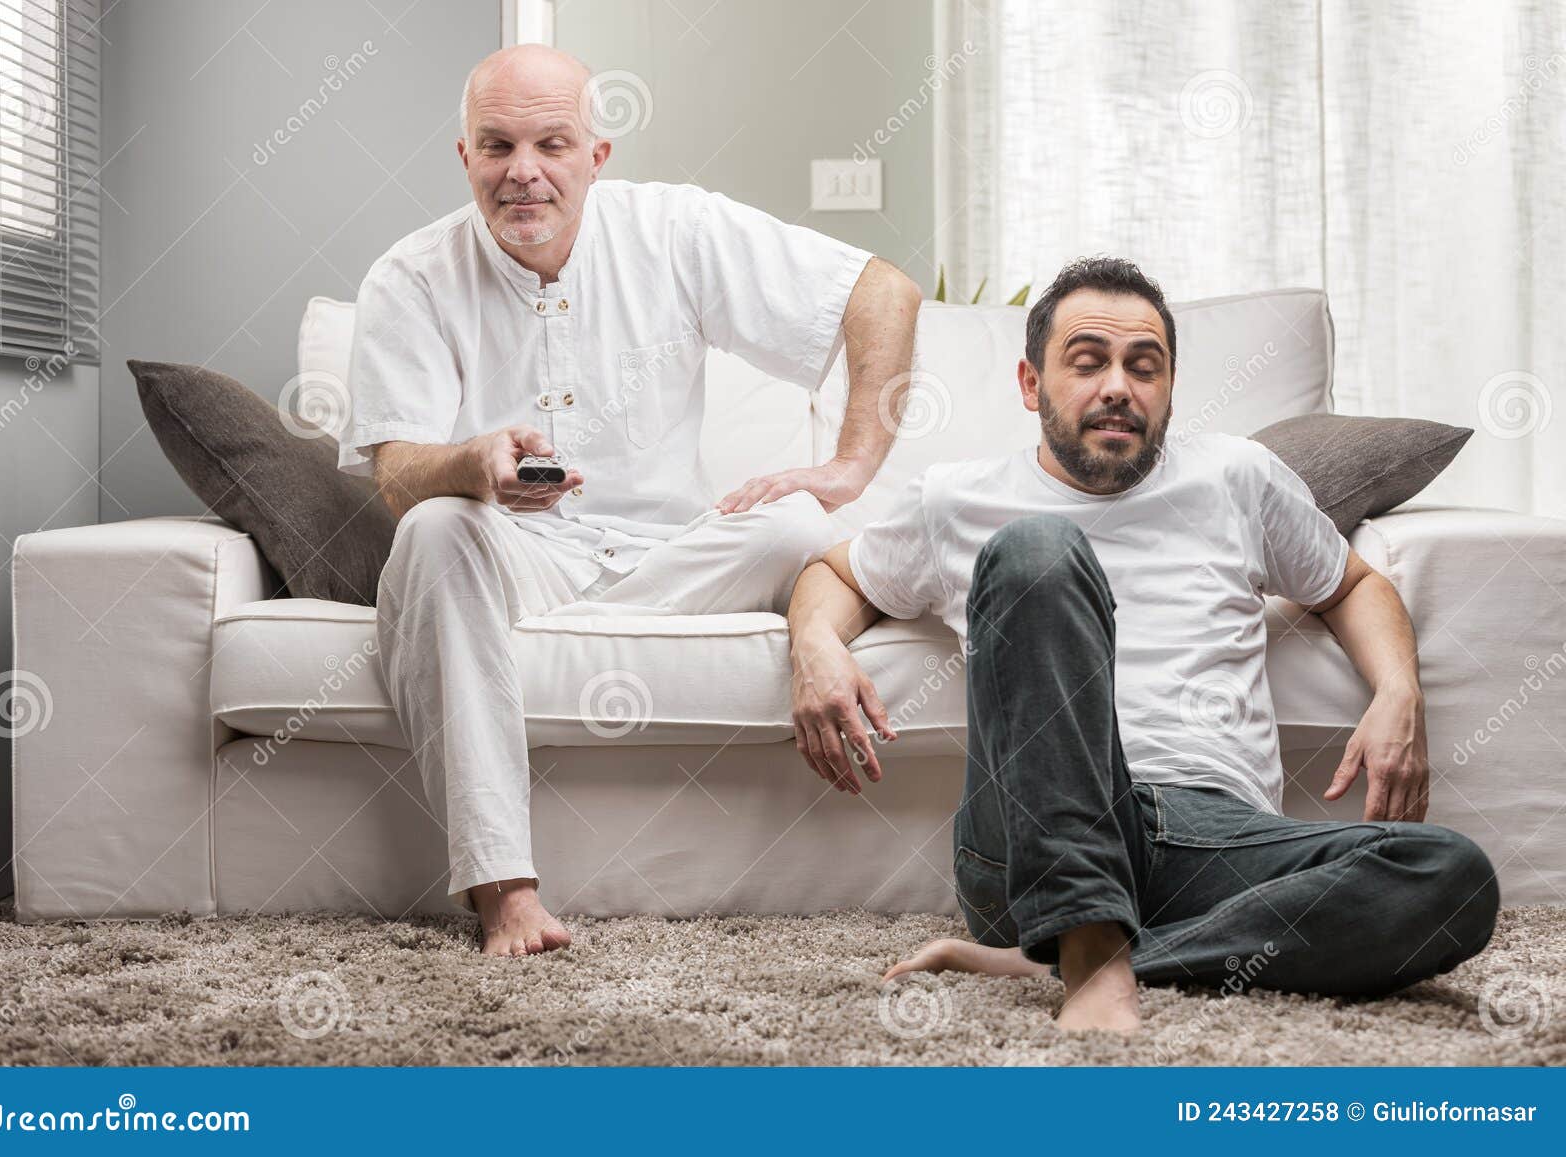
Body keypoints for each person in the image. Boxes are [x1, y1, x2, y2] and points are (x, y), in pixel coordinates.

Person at [785, 256, 1498, 1032]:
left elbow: (1353, 584)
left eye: (1144, 365)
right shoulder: (957, 498)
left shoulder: (1238, 477)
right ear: (1032, 385)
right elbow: (837, 571)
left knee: (1449, 874)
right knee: (1036, 552)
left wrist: (1399, 691)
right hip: (1025, 850)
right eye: (1087, 362)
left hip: (1211, 837)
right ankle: (1085, 946)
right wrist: (815, 642)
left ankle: (1071, 956)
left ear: (1168, 389)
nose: (1118, 385)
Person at [339, 45, 921, 956]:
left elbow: (881, 290)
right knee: (434, 529)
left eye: (551, 143)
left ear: (596, 157)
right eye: (496, 146)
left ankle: (539, 632)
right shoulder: (409, 277)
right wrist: (470, 463)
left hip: (674, 556)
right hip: (514, 558)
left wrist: (848, 468)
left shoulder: (677, 230)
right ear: (464, 158)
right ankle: (505, 894)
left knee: (802, 521)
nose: (522, 171)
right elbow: (395, 473)